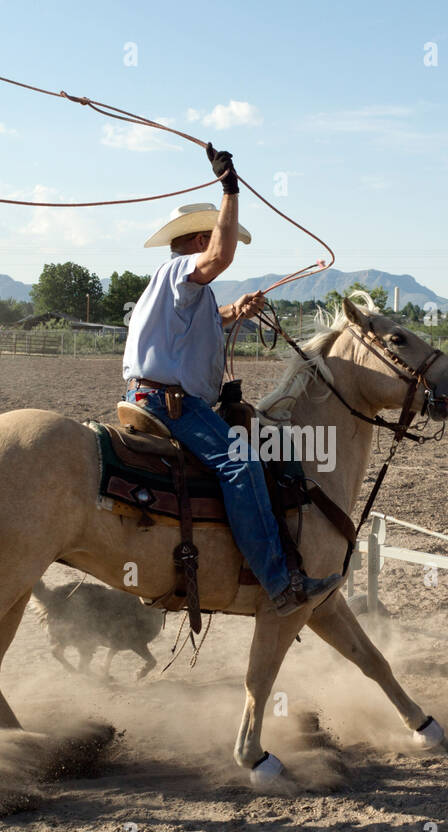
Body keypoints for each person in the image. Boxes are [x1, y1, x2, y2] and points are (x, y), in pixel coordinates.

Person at [120, 144, 341, 616]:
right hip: (172, 404)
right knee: (240, 464)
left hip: (154, 396)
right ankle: (281, 583)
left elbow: (194, 327)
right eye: (218, 239)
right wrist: (229, 187)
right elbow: (220, 258)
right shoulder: (182, 270)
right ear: (200, 240)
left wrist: (231, 312)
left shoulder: (174, 289)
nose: (226, 248)